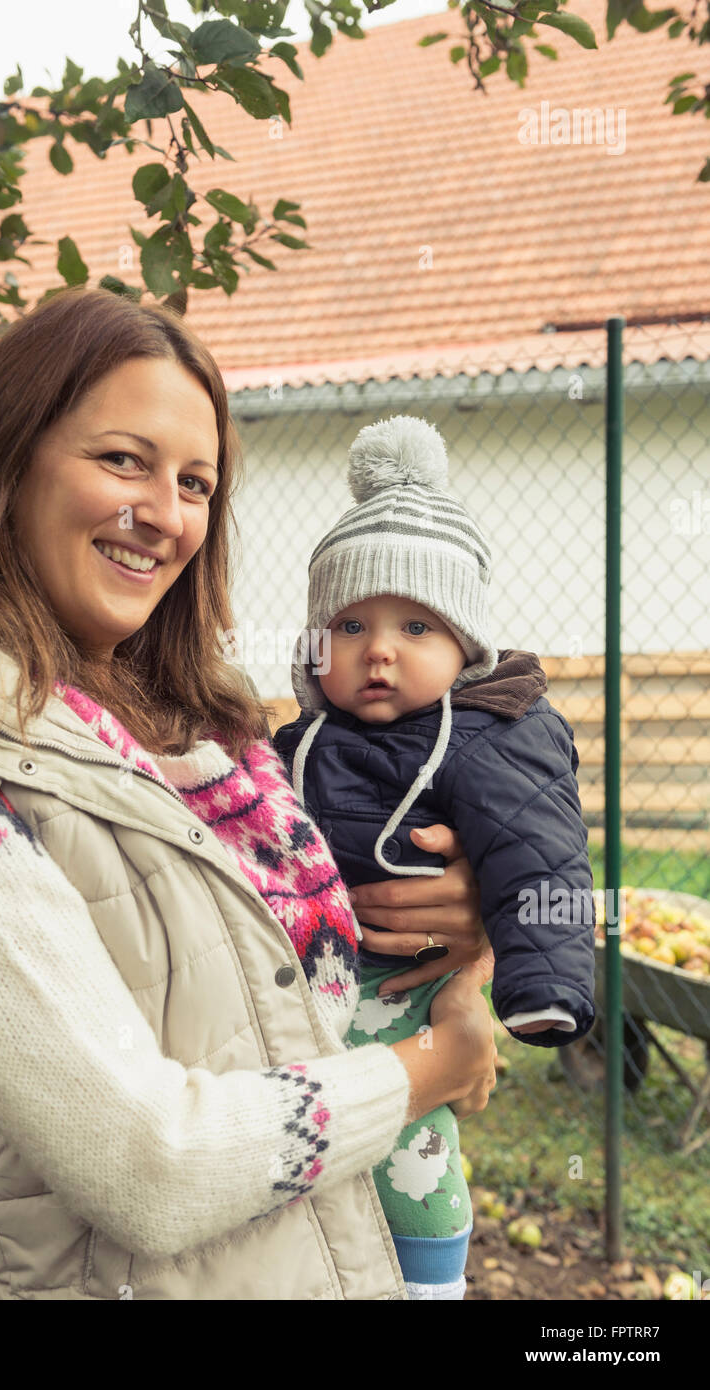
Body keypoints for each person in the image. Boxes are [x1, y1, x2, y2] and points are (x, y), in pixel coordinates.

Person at [0, 287, 496, 1301]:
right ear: (4, 460)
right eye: (122, 460)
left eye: (196, 482)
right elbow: (152, 1166)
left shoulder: (206, 727)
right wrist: (428, 1069)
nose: (165, 515)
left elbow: (290, 1002)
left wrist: (453, 920)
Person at [272, 414, 596, 1301]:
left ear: (465, 645)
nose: (377, 648)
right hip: (301, 997)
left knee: (411, 1156)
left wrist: (538, 983)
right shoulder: (293, 745)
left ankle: (429, 1281)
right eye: (349, 624)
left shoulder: (494, 737)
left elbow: (539, 859)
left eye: (416, 624)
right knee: (313, 1165)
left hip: (407, 989)